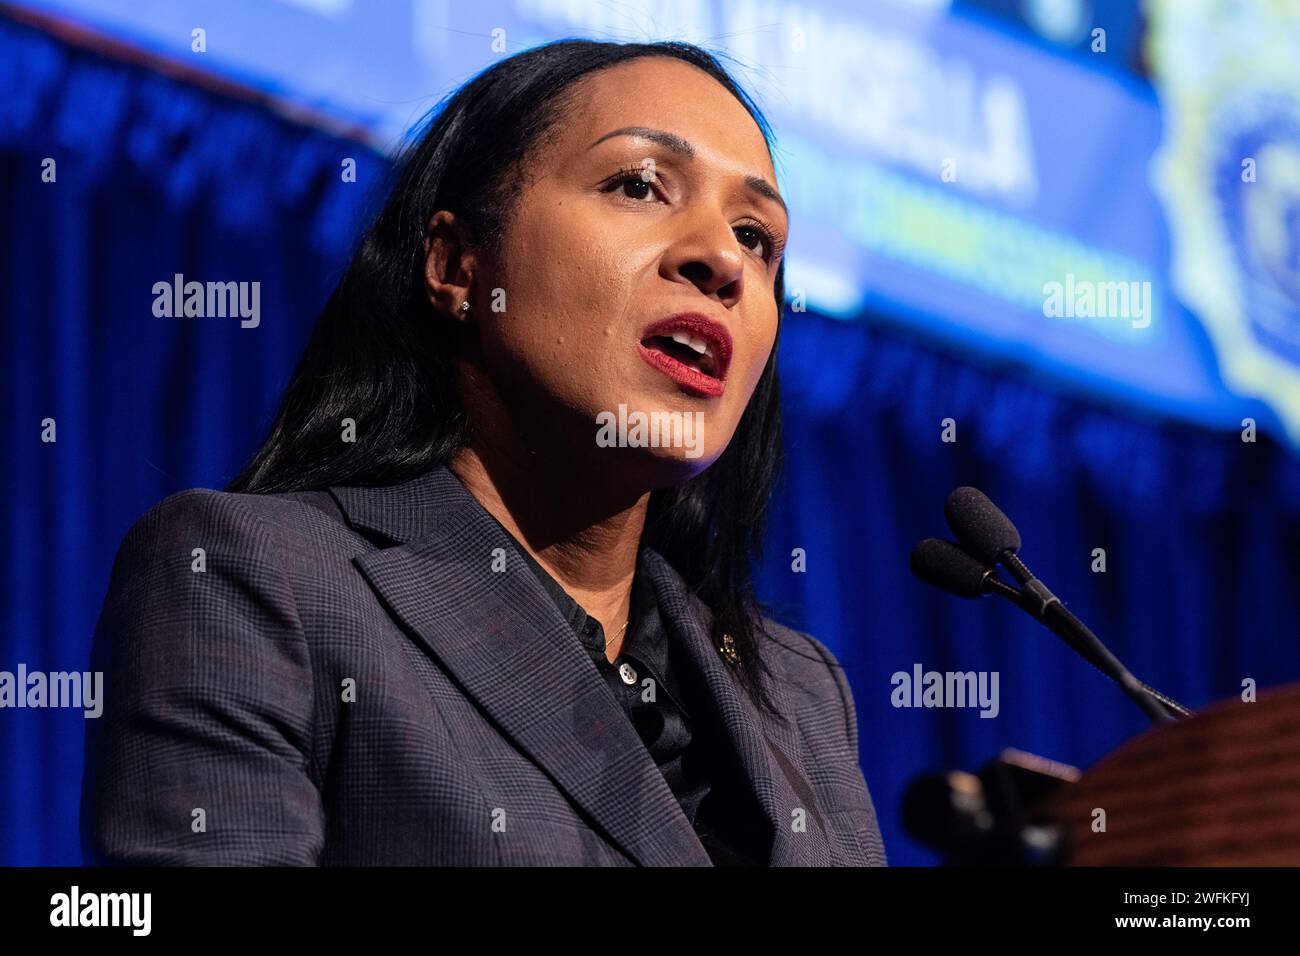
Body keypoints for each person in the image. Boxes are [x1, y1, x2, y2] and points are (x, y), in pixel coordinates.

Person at [81, 38, 887, 866]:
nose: (722, 261)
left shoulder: (799, 692)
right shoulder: (256, 581)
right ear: (457, 266)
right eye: (639, 185)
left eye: (757, 236)